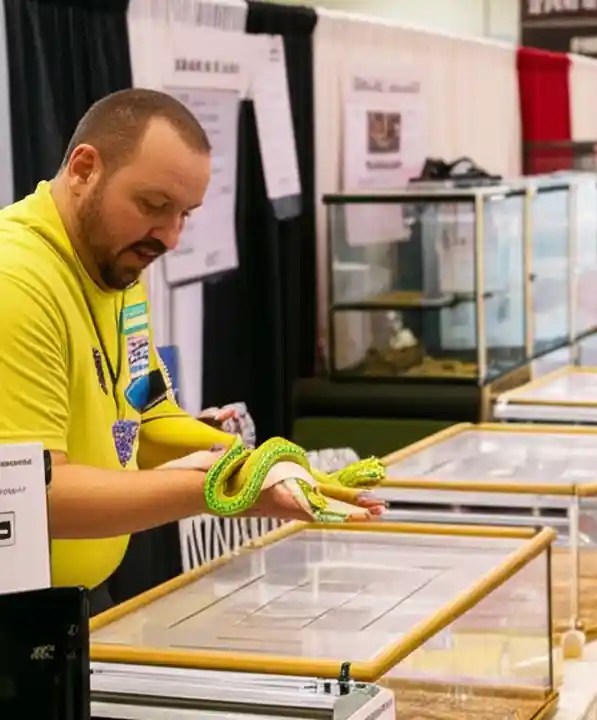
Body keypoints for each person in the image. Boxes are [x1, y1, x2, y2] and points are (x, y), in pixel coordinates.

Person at [0, 88, 383, 613]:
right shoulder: (16, 280)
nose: (171, 237)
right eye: (154, 206)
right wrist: (213, 488)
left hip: (77, 601)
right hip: (18, 614)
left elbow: (148, 417)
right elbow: (32, 498)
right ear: (84, 168)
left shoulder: (116, 263)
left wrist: (264, 469)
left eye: (185, 214)